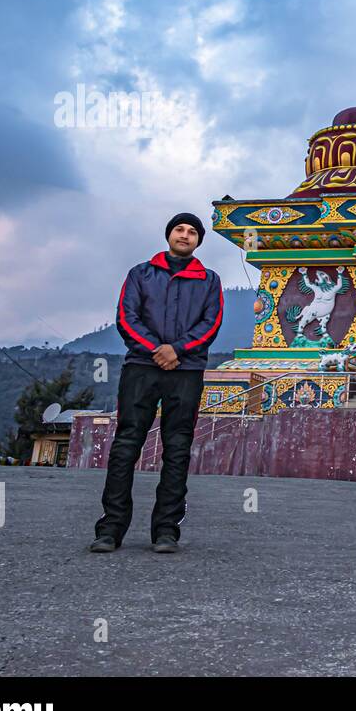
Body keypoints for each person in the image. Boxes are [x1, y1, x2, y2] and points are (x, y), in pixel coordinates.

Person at [89, 213, 223, 554]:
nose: (185, 235)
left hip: (186, 370)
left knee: (177, 449)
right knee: (126, 446)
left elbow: (212, 322)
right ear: (168, 235)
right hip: (141, 368)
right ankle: (110, 528)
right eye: (180, 229)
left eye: (193, 232)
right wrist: (155, 350)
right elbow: (125, 316)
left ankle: (166, 530)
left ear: (198, 241)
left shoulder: (209, 280)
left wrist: (176, 350)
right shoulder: (140, 274)